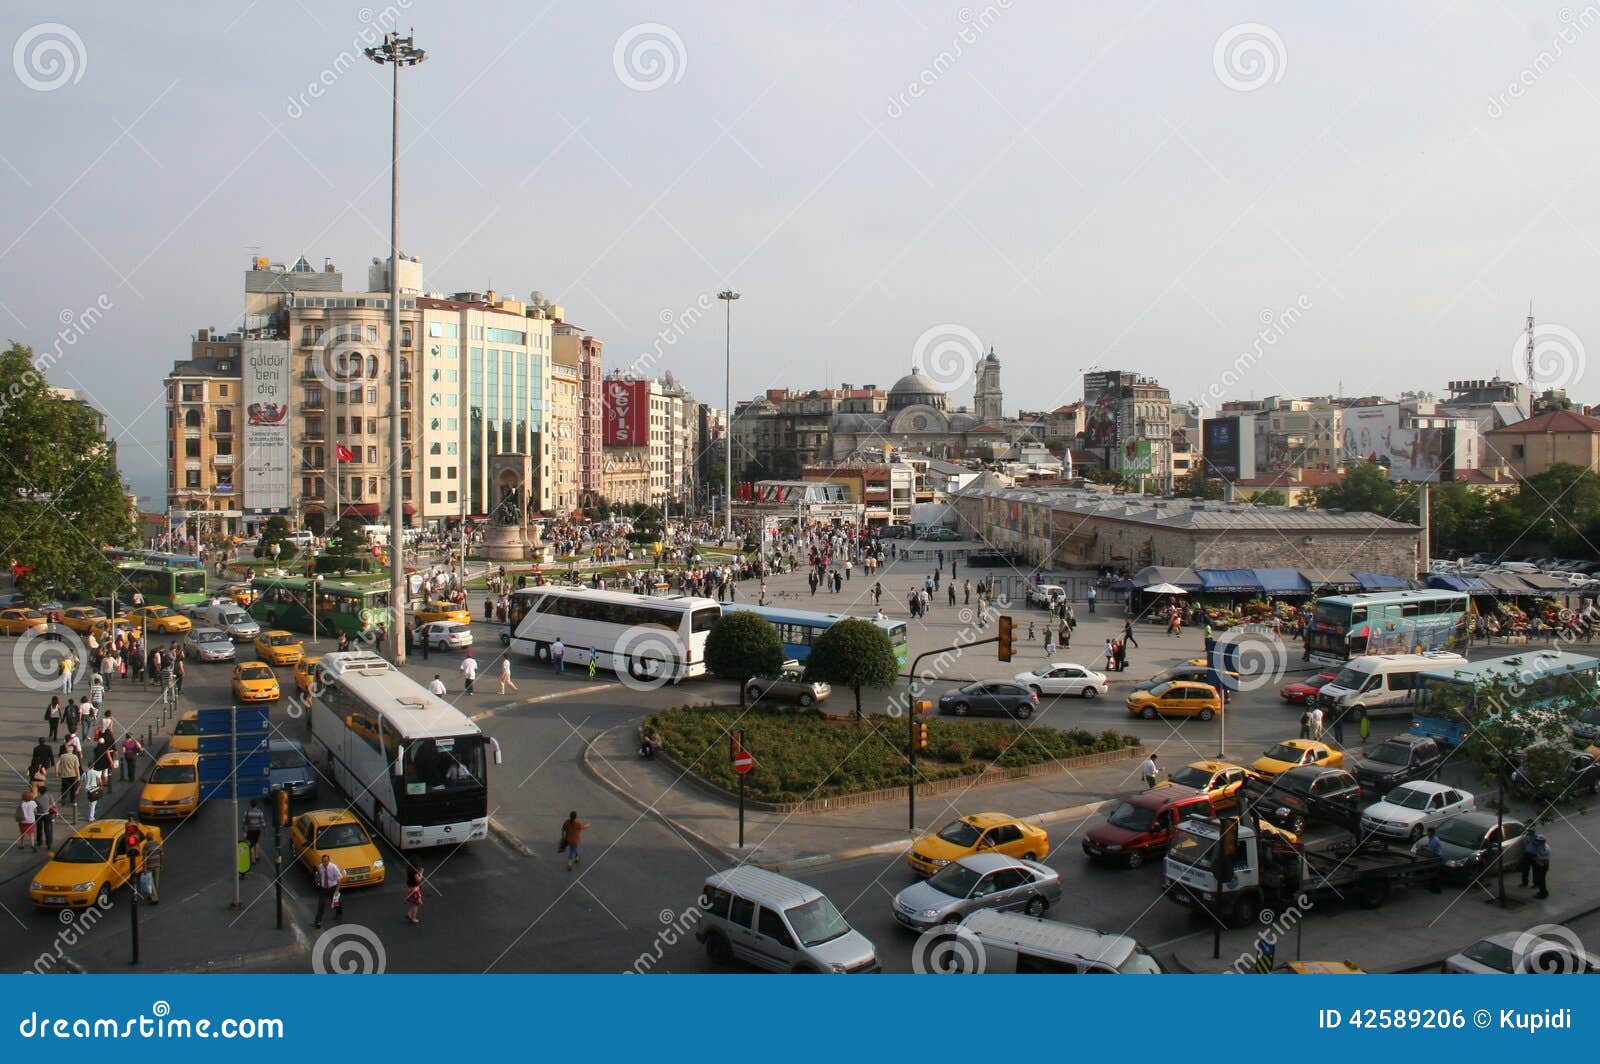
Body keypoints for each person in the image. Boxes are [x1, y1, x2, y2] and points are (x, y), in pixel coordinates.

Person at [312, 853, 343, 928]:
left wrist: (337, 890)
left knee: (336, 902)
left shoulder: (333, 867)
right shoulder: (320, 867)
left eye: (326, 861)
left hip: (332, 887)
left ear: (329, 861)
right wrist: (318, 880)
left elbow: (339, 879)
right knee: (321, 904)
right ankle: (318, 922)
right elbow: (319, 875)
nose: (325, 863)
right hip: (323, 889)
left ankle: (339, 912)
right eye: (323, 861)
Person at [56, 745, 81, 818]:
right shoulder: (74, 757)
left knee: (64, 788)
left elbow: (57, 764)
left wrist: (57, 772)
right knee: (73, 788)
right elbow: (76, 767)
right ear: (72, 750)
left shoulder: (62, 756)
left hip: (64, 775)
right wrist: (78, 776)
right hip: (72, 774)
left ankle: (63, 800)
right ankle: (72, 800)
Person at [1526, 833, 1551, 899]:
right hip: (1539, 864)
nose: (1537, 842)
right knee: (1539, 880)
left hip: (1542, 865)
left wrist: (1536, 860)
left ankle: (1543, 893)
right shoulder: (1540, 846)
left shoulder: (1545, 849)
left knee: (1541, 880)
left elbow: (1544, 861)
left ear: (1542, 841)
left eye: (1539, 841)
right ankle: (1542, 891)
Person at [242, 799, 266, 863]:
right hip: (257, 830)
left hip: (250, 830)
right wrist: (264, 828)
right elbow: (262, 821)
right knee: (256, 842)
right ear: (256, 805)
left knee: (251, 845)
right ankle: (257, 856)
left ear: (250, 805)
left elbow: (244, 822)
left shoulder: (247, 812)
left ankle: (253, 860)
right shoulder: (260, 812)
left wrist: (244, 831)